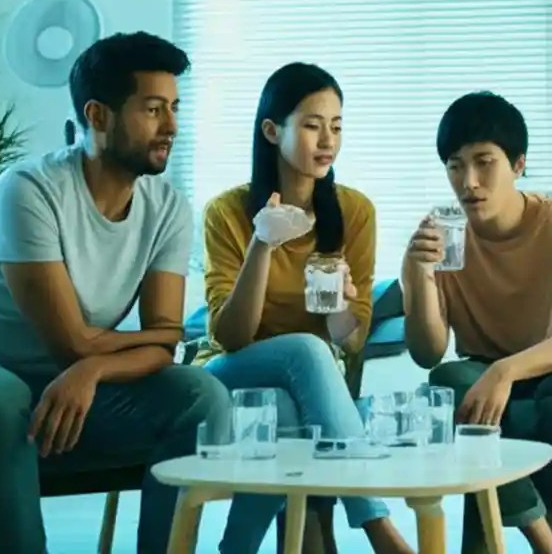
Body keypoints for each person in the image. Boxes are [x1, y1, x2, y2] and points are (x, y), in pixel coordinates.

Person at [0, 31, 234, 554]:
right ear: (98, 116)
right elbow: (75, 341)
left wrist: (94, 368)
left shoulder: (167, 208)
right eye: (153, 109)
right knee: (0, 401)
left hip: (78, 379)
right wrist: (115, 349)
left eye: (175, 108)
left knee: (202, 396)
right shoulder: (29, 191)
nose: (172, 126)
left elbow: (164, 346)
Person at [197, 63, 412, 554]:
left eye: (337, 125)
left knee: (286, 412)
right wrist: (261, 243)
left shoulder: (354, 211)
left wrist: (339, 304)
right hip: (229, 373)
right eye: (313, 125)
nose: (328, 140)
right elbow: (230, 337)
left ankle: (235, 549)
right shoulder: (226, 212)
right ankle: (378, 527)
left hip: (306, 387)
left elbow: (350, 343)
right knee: (305, 350)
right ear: (272, 131)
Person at [402, 92, 552, 554]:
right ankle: (543, 537)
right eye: (455, 166)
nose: (468, 182)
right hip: (478, 376)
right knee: (448, 383)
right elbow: (427, 352)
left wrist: (505, 371)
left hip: (541, 370)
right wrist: (418, 275)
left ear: (518, 164)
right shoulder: (443, 235)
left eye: (484, 163)